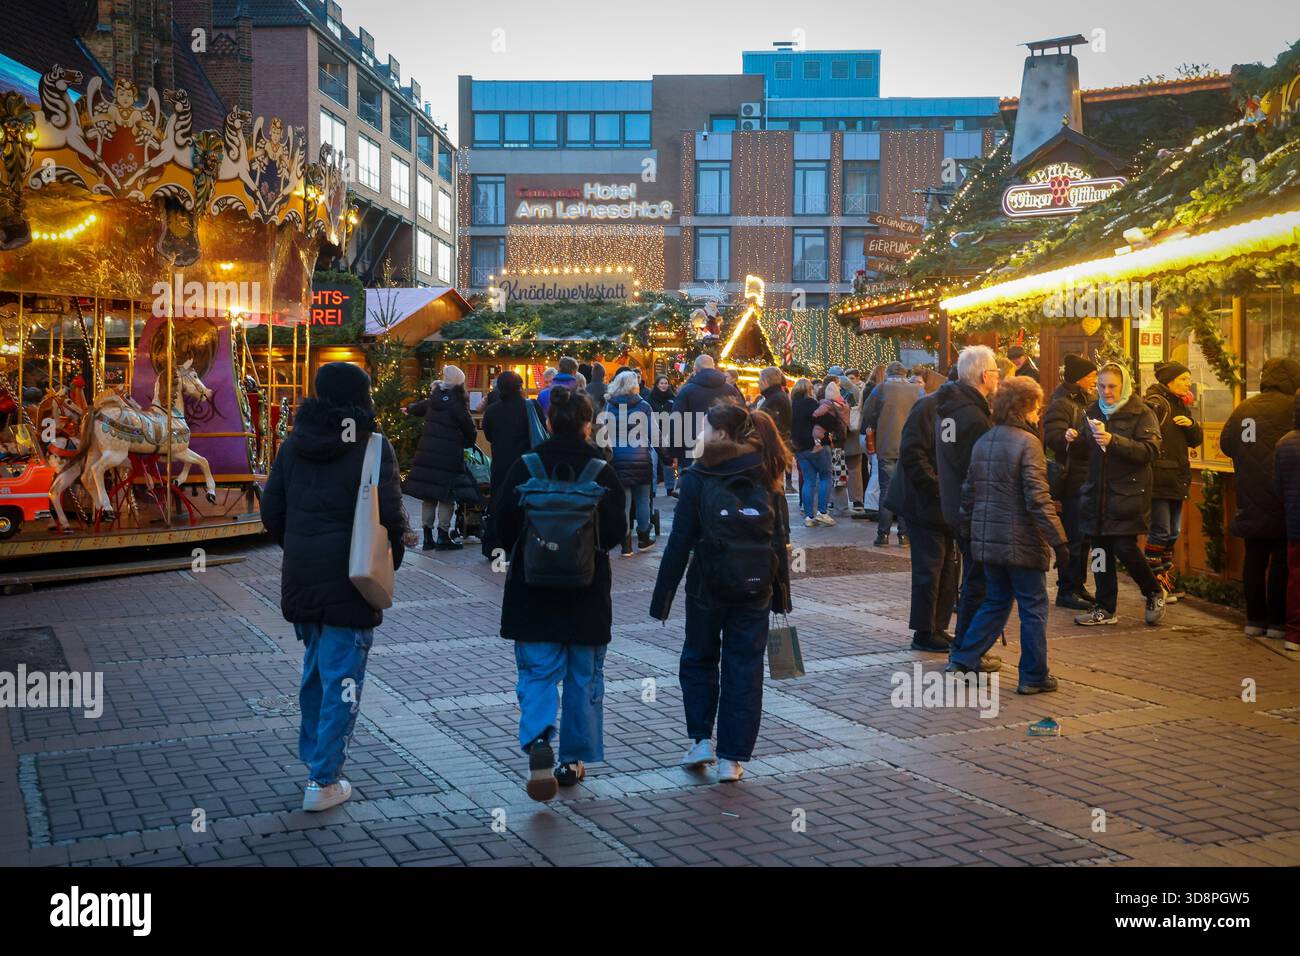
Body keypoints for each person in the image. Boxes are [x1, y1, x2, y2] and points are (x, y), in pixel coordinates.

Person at [262, 362, 410, 812]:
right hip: (352, 578)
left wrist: (302, 546)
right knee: (343, 678)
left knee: (316, 673)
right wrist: (388, 562)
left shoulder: (294, 444)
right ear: (362, 398)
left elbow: (272, 511)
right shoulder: (371, 447)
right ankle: (323, 778)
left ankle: (315, 761)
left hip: (304, 576)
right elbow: (392, 519)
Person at [492, 388, 627, 800]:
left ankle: (537, 742)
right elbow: (617, 533)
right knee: (583, 676)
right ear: (589, 424)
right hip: (585, 593)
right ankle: (572, 759)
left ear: (549, 421)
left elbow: (498, 528)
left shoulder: (527, 465)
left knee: (536, 673)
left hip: (532, 592)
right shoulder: (600, 470)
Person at [649, 404, 793, 783]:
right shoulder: (765, 469)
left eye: (706, 428)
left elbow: (680, 540)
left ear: (723, 434)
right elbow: (780, 537)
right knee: (744, 668)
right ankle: (733, 758)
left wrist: (662, 596)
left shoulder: (699, 476)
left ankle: (700, 740)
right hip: (755, 586)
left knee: (699, 659)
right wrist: (782, 593)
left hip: (706, 585)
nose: (701, 434)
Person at [948, 376, 1066, 691]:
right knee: (1033, 606)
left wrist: (967, 532)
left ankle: (964, 657)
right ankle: (1033, 675)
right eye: (1037, 407)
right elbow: (1038, 498)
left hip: (988, 541)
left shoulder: (985, 440)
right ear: (1025, 407)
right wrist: (1060, 541)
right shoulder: (1028, 443)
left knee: (997, 600)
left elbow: (968, 494)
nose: (1039, 414)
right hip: (1022, 540)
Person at [1074, 362, 1166, 627]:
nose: (1106, 392)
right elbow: (1086, 451)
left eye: (1112, 386)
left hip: (1127, 493)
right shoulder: (1093, 411)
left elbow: (1150, 451)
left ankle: (1152, 591)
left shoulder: (1141, 413)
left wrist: (1114, 441)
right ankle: (1104, 607)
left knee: (1125, 547)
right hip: (1097, 493)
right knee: (1100, 551)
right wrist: (1075, 439)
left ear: (1124, 385)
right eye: (1101, 386)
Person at [1221, 357, 1300, 638]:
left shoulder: (1245, 409)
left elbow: (1226, 444)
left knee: (1254, 559)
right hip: (1283, 496)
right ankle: (1278, 624)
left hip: (1250, 495)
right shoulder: (1292, 408)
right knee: (1281, 562)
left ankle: (1254, 620)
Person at [936, 345, 1000, 645]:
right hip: (969, 509)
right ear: (985, 375)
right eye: (996, 371)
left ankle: (965, 646)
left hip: (954, 504)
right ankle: (967, 648)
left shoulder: (953, 407)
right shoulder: (973, 416)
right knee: (978, 581)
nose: (998, 377)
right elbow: (977, 468)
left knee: (974, 578)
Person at [889, 376, 959, 652]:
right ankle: (924, 631)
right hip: (923, 502)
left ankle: (937, 627)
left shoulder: (953, 410)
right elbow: (912, 452)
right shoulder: (928, 407)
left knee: (947, 568)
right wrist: (937, 485)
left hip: (942, 503)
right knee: (929, 568)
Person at [1143, 361, 1203, 602]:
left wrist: (1192, 425)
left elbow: (1195, 440)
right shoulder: (1157, 404)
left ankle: (1165, 582)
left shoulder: (1180, 405)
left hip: (1177, 477)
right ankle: (1154, 586)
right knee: (1160, 532)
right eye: (1183, 379)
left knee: (1172, 533)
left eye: (1188, 379)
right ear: (1169, 381)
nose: (1187, 384)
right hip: (1159, 478)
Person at [1042, 353, 1098, 610]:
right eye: (1092, 377)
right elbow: (1054, 438)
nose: (1096, 381)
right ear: (1080, 379)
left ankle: (1078, 584)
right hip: (1073, 480)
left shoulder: (1089, 401)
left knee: (1085, 538)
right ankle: (1066, 589)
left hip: (1089, 477)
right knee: (1074, 537)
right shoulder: (1062, 404)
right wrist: (1074, 439)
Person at [404, 365, 479, 551]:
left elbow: (420, 407)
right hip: (448, 455)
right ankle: (443, 536)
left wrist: (409, 408)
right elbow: (469, 428)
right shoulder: (456, 402)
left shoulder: (435, 397)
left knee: (429, 495)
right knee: (447, 495)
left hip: (428, 452)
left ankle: (427, 536)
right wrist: (467, 442)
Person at [863, 360, 919, 547]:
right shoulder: (916, 390)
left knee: (886, 490)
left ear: (888, 373)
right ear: (904, 373)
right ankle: (905, 535)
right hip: (909, 446)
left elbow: (868, 415)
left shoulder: (880, 389)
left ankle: (883, 534)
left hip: (886, 445)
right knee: (905, 490)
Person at [603, 369, 658, 555]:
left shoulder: (609, 405)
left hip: (617, 458)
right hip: (640, 456)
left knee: (624, 503)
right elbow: (654, 434)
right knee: (643, 499)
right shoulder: (644, 406)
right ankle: (643, 538)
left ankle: (625, 544)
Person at [480, 371, 531, 556]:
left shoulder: (493, 410)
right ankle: (522, 543)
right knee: (523, 502)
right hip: (525, 463)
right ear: (520, 387)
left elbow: (487, 434)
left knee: (498, 502)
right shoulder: (530, 407)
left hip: (501, 462)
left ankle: (495, 545)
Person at [672, 354, 743, 461]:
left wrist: (675, 452)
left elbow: (676, 420)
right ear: (713, 367)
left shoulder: (687, 390)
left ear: (695, 369)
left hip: (693, 449)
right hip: (724, 449)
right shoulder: (731, 390)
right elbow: (740, 419)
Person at [1272, 390, 1300, 653]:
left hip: (1294, 522)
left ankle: (1294, 633)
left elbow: (1278, 487)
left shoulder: (1284, 443)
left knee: (1295, 577)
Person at [790, 377, 835, 526]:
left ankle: (809, 516)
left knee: (808, 481)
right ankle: (822, 512)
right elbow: (828, 421)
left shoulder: (791, 405)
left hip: (799, 448)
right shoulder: (811, 403)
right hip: (817, 446)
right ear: (809, 390)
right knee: (825, 476)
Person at [840, 367, 866, 515]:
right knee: (855, 470)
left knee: (838, 470)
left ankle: (838, 502)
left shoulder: (837, 393)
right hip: (854, 436)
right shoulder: (858, 391)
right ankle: (857, 501)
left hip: (841, 437)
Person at [648, 374, 678, 497]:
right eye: (661, 383)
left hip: (667, 434)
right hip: (653, 434)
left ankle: (670, 488)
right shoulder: (649, 399)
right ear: (656, 384)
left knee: (668, 463)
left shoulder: (673, 398)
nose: (664, 385)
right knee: (653, 463)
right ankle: (653, 489)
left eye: (666, 383)